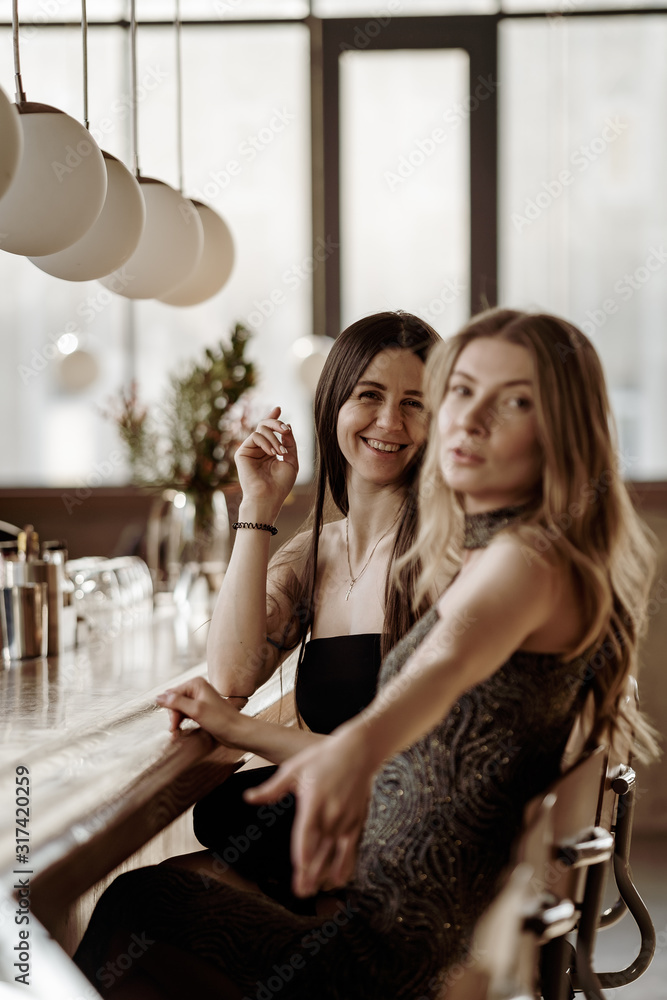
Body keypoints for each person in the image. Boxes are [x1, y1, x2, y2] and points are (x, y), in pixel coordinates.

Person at [74, 308, 659, 1000]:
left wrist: (315, 752)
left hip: (400, 958)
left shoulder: (517, 561)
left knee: (137, 911)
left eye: (513, 402)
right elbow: (278, 687)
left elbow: (433, 682)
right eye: (462, 390)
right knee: (164, 893)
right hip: (402, 915)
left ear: (563, 428)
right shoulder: (502, 553)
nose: (467, 419)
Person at [187, 311, 441, 912]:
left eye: (413, 403)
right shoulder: (316, 553)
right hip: (335, 825)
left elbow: (419, 767)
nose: (389, 422)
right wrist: (258, 506)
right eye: (369, 396)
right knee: (216, 824)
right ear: (332, 407)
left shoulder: (445, 556)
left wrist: (245, 734)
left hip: (409, 843)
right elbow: (231, 677)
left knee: (167, 890)